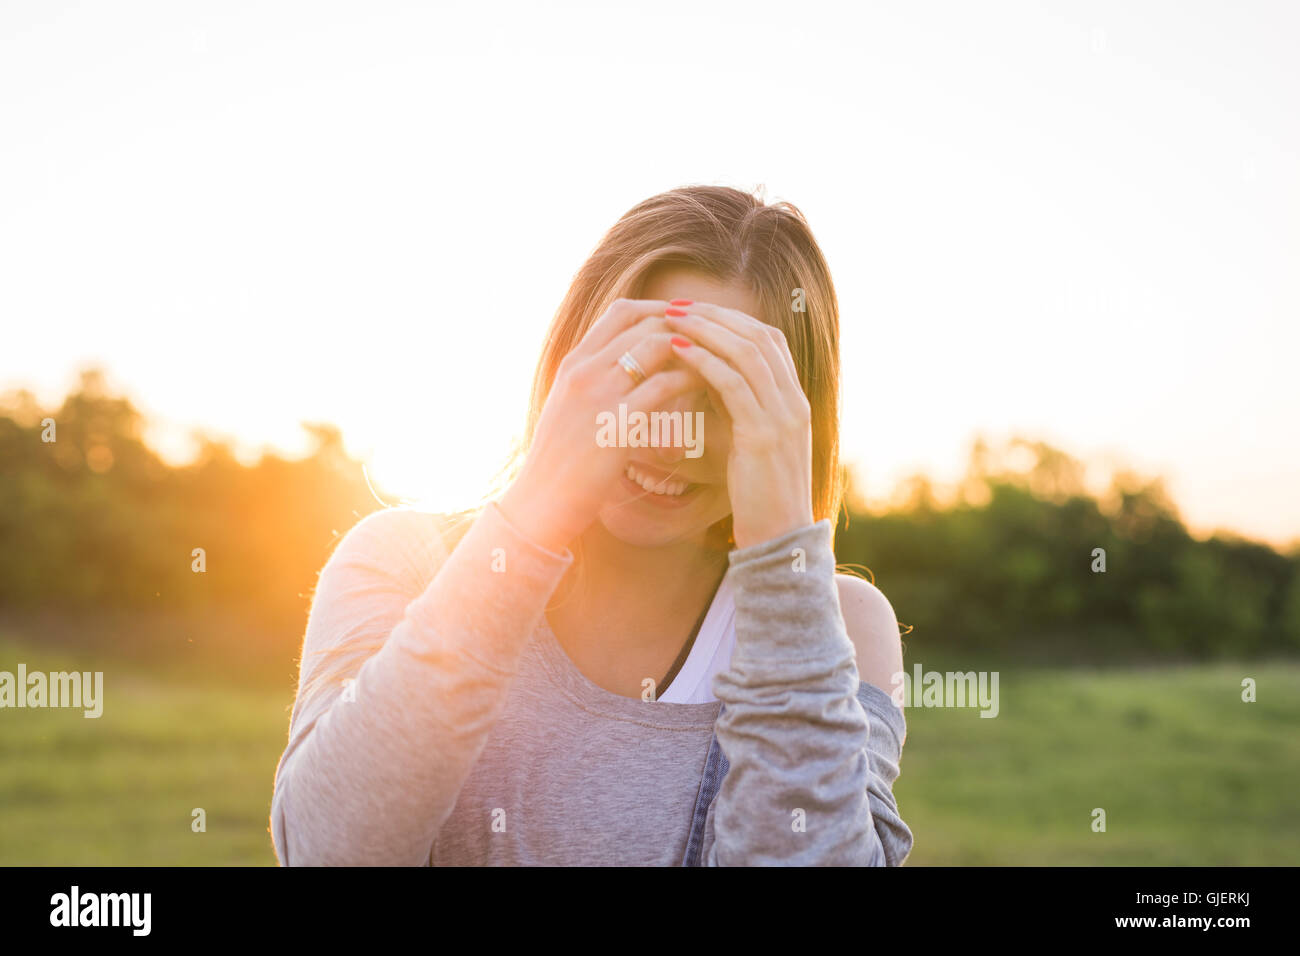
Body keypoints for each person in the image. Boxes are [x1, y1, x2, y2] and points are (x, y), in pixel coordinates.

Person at [270, 185, 912, 865]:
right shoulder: (403, 563)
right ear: (571, 365)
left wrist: (785, 562)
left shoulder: (839, 624)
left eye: (725, 397)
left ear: (793, 419)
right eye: (644, 375)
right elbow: (327, 853)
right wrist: (537, 508)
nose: (674, 441)